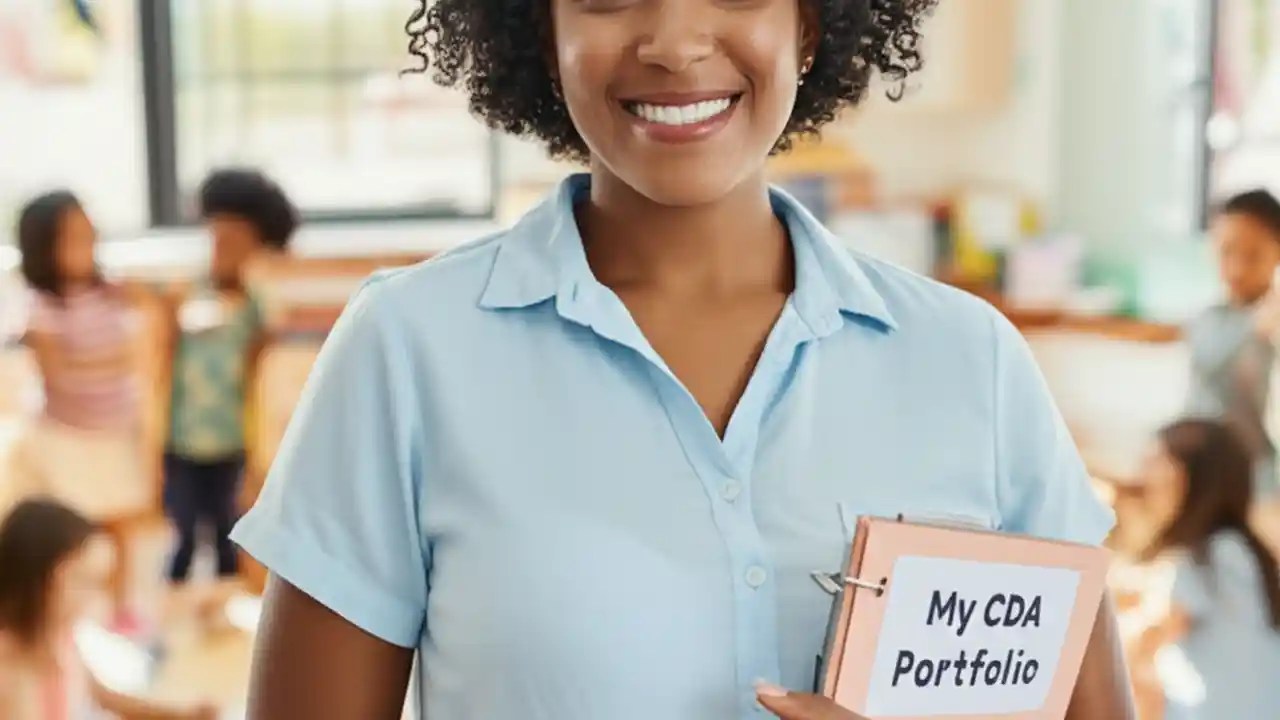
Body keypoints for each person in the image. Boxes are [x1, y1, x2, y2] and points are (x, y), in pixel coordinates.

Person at [232, 1, 1135, 718]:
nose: (673, 39)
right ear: (539, 30)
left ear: (809, 21)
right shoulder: (405, 353)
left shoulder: (971, 363)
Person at [8, 191, 150, 636]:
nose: (84, 249)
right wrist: (118, 359)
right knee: (73, 533)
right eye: (71, 240)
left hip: (113, 430)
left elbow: (147, 321)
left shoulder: (110, 292)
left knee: (123, 524)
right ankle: (68, 618)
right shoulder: (42, 307)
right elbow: (56, 372)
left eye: (89, 238)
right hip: (68, 437)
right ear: (44, 247)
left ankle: (120, 609)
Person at [161, 169, 295, 617]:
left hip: (231, 440)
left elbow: (257, 378)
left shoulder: (259, 305)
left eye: (238, 242)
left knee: (225, 530)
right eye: (218, 239)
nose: (225, 251)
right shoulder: (185, 291)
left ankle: (219, 609)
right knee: (181, 530)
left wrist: (259, 450)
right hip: (182, 440)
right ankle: (172, 606)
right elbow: (165, 365)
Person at [0, 499, 216, 719]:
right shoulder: (8, 672)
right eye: (83, 581)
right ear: (38, 582)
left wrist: (181, 714)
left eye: (96, 583)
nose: (92, 598)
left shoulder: (59, 637)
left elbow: (102, 696)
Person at [1132, 419, 1280, 719]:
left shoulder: (1205, 558)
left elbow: (1142, 641)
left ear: (1190, 479)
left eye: (1157, 462)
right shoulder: (1243, 552)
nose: (1144, 476)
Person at [1185, 189, 1280, 499]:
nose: (1238, 268)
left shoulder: (1271, 320)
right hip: (1201, 467)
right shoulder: (1208, 318)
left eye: (1253, 255)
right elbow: (1206, 370)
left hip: (1257, 477)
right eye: (1227, 251)